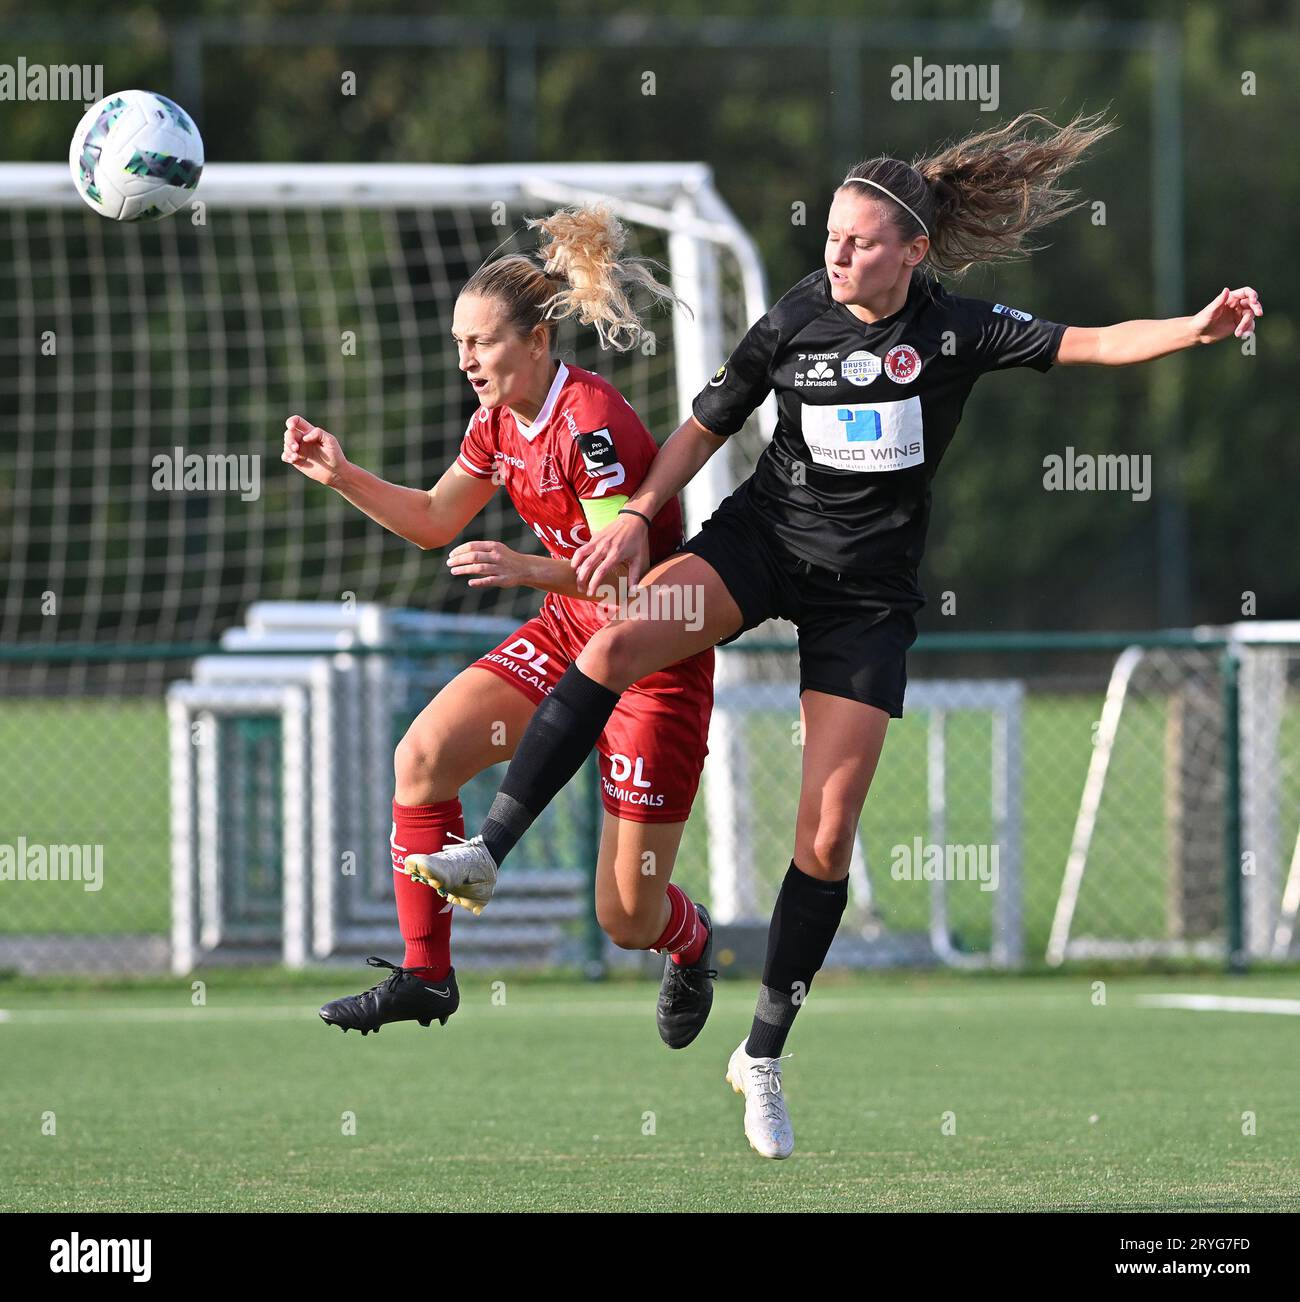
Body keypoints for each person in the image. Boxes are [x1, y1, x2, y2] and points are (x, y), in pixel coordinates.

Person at [406, 110, 1263, 1159]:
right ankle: (488, 848)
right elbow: (705, 424)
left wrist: (1194, 327)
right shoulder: (797, 315)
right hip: (759, 548)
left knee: (827, 833)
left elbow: (1088, 342)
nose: (836, 253)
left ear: (912, 251)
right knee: (614, 643)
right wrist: (635, 517)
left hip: (865, 601)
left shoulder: (956, 332)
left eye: (858, 242)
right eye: (831, 239)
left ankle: (760, 1057)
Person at [283, 205, 719, 1049]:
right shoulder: (496, 423)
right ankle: (426, 974)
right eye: (458, 344)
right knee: (423, 757)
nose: (466, 360)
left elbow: (624, 577)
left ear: (537, 343)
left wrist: (522, 569)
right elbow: (437, 520)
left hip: (649, 655)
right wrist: (342, 474)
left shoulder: (589, 426)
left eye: (480, 343)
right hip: (568, 632)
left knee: (627, 915)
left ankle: (693, 942)